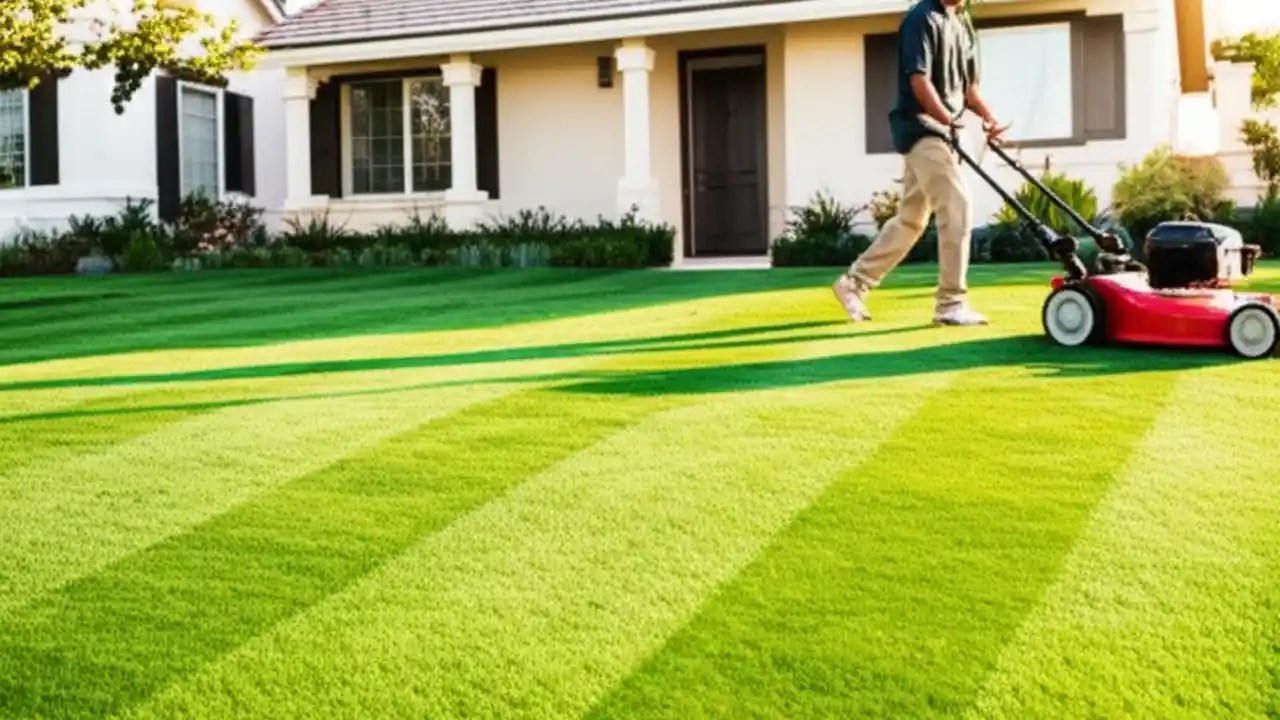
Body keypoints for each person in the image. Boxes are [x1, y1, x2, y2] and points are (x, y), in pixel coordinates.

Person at [833, 0, 1008, 326]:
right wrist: (948, 121)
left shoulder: (963, 23)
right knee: (957, 206)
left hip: (945, 132)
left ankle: (853, 283)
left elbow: (969, 89)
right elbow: (919, 80)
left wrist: (989, 118)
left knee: (911, 220)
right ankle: (951, 303)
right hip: (923, 129)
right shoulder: (920, 18)